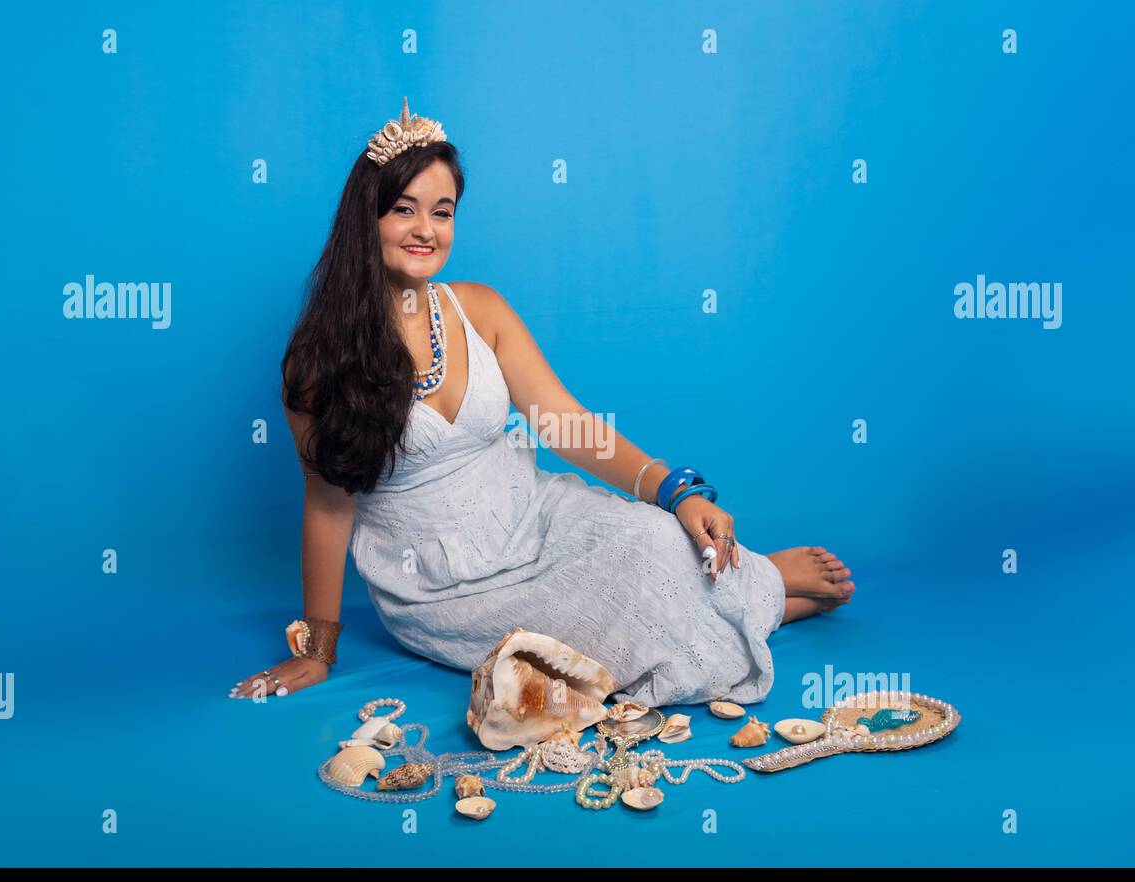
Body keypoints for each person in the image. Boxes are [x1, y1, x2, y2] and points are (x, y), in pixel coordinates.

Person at [230, 98, 854, 705]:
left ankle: (751, 592)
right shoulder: (319, 363)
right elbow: (328, 506)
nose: (426, 230)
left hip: (536, 518)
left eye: (443, 212)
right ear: (365, 219)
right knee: (605, 636)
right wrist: (317, 648)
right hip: (442, 587)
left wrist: (678, 491)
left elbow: (568, 425)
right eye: (404, 209)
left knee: (660, 541)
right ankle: (765, 592)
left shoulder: (479, 308)